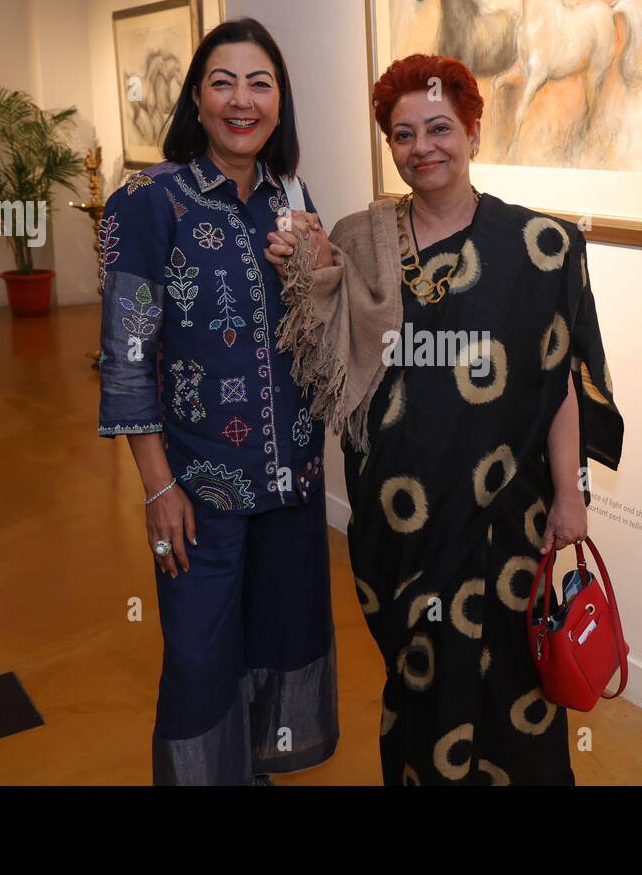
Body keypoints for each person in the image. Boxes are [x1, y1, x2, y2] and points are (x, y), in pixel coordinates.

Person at [265, 53, 623, 785]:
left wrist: (569, 494)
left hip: (504, 516)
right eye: (402, 134)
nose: (422, 147)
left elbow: (556, 386)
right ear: (389, 146)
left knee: (517, 687)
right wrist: (307, 265)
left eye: (439, 128)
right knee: (419, 679)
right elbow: (327, 343)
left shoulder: (541, 249)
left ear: (474, 133)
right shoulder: (361, 239)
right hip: (397, 520)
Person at [97, 17, 337, 785]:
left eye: (260, 83)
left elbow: (323, 338)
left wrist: (322, 269)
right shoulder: (147, 202)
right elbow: (127, 357)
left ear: (279, 101)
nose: (243, 100)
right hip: (199, 489)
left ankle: (255, 771)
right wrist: (157, 487)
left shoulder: (292, 200)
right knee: (201, 658)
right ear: (196, 100)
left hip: (292, 483)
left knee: (276, 639)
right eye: (223, 82)